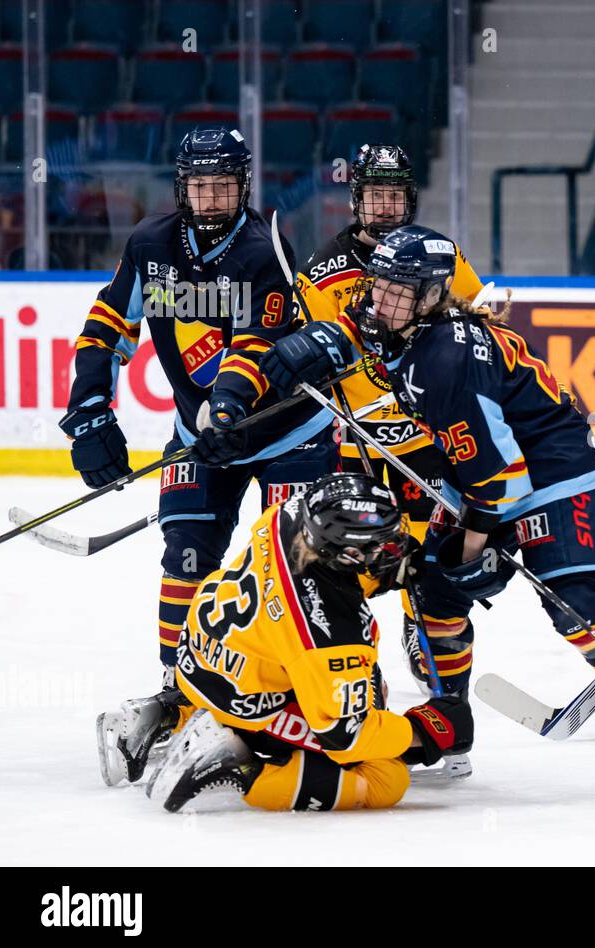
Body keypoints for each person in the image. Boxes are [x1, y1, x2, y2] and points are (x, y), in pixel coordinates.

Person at [260, 225, 595, 791]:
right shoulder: (409, 325)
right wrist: (305, 349)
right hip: (484, 473)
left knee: (573, 598)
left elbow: (501, 477)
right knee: (434, 590)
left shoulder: (444, 360)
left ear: (434, 294)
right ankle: (448, 728)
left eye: (398, 290)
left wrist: (474, 547)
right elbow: (358, 338)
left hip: (550, 470)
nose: (380, 300)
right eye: (379, 285)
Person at [70, 126, 337, 715]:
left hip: (290, 431)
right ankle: (180, 690)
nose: (211, 199)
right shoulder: (149, 245)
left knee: (293, 563)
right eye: (199, 186)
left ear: (243, 187)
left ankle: (300, 683)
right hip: (202, 434)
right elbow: (106, 328)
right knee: (185, 556)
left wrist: (227, 411)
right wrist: (88, 412)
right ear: (181, 187)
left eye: (223, 186)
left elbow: (253, 346)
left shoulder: (264, 249)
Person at [131, 473, 473, 813]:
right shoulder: (331, 631)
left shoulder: (291, 514)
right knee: (385, 776)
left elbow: (323, 578)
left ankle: (171, 711)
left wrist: (382, 570)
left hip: (204, 655)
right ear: (351, 553)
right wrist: (423, 731)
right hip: (248, 698)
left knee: (360, 687)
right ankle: (240, 766)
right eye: (385, 543)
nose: (397, 546)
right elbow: (345, 737)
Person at [288, 142, 486, 694]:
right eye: (374, 195)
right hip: (360, 445)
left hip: (428, 440)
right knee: (352, 562)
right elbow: (313, 349)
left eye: (393, 196)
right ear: (356, 199)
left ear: (409, 200)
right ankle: (356, 663)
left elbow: (476, 317)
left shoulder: (439, 252)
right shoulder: (323, 270)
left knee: (431, 567)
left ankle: (440, 674)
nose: (384, 207)